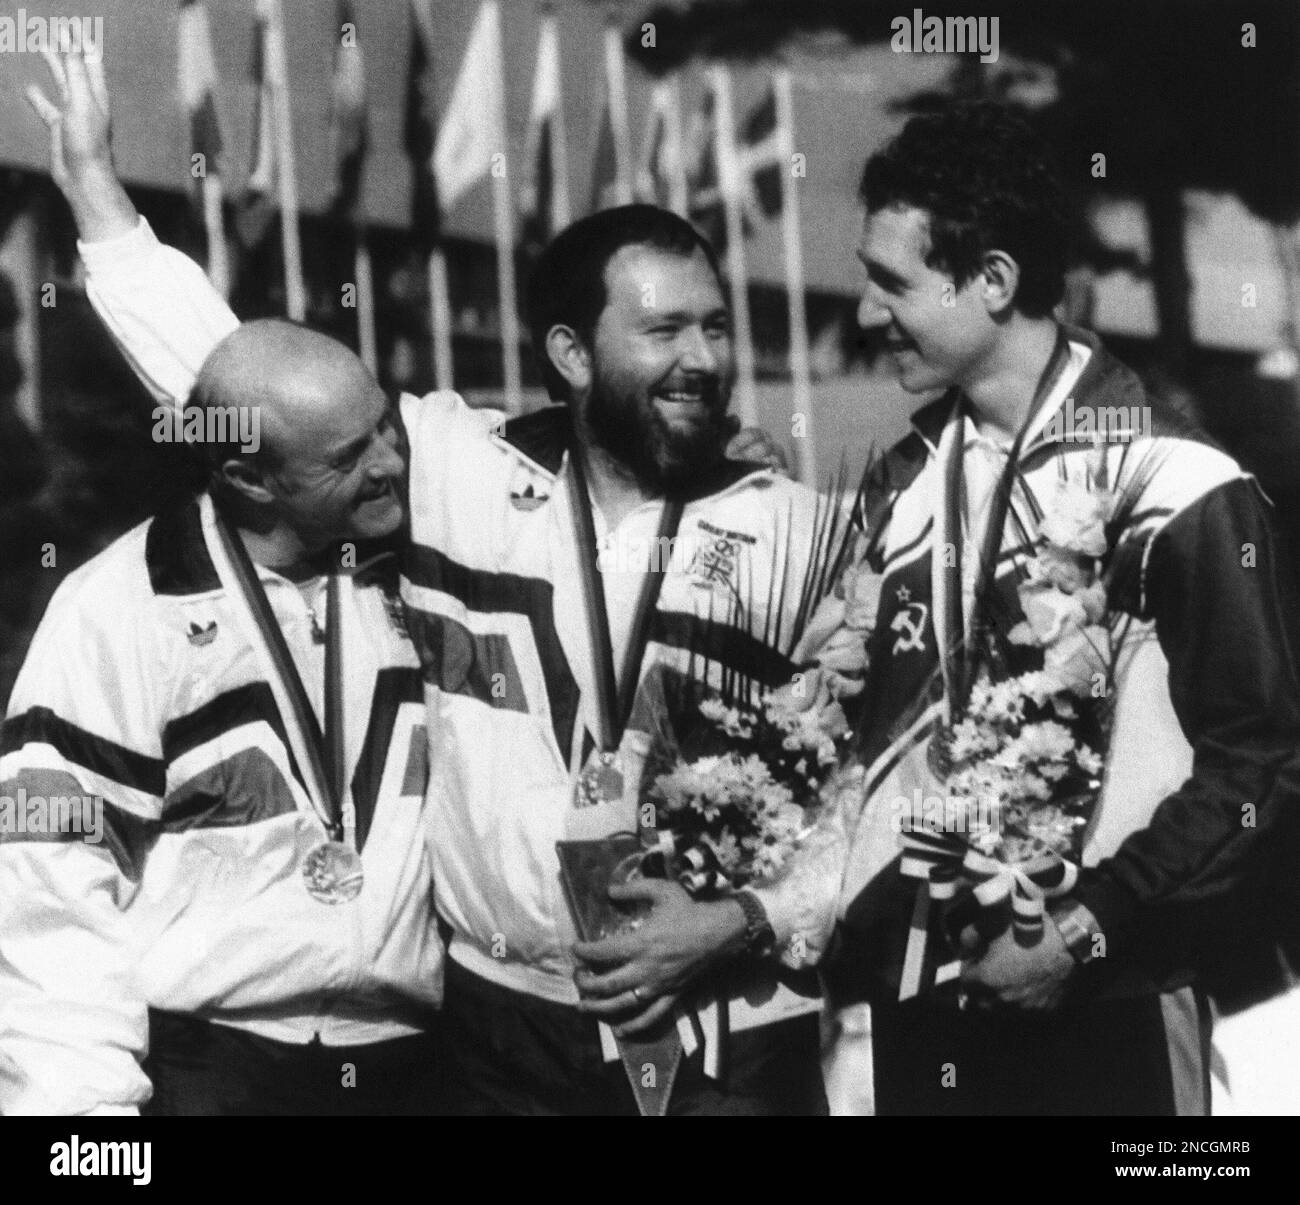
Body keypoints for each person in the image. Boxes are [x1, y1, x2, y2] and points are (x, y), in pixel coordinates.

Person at [27, 46, 827, 1115]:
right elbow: (251, 388)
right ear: (572, 353)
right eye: (665, 329)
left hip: (727, 1028)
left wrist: (750, 917)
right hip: (498, 1040)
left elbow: (874, 785)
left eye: (718, 326)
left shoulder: (793, 527)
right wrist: (98, 199)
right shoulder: (455, 470)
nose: (705, 358)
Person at [790, 101, 1300, 1115]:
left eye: (891, 281)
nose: (863, 311)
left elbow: (1261, 758)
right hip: (924, 1007)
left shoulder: (1173, 478)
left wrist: (1090, 923)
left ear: (993, 280)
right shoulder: (898, 485)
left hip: (1111, 996)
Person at [0, 317, 444, 1115]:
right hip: (210, 1073)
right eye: (350, 456)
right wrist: (84, 1130)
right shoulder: (119, 607)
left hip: (418, 1069)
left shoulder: (428, 568)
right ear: (249, 478)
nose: (392, 464)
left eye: (385, 426)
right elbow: (46, 888)